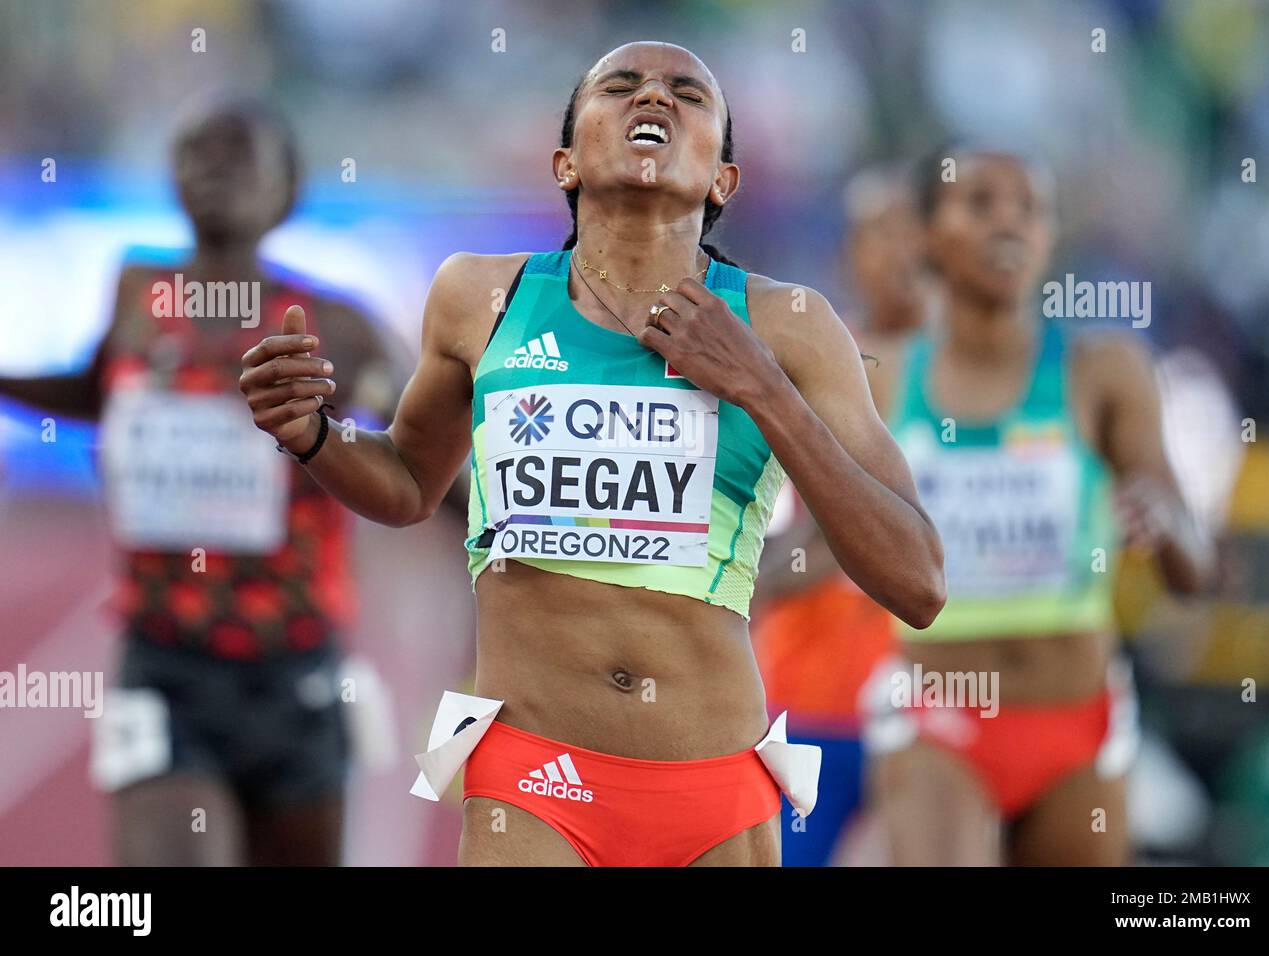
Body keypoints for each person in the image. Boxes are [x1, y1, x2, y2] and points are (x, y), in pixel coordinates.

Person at [239, 42, 945, 867]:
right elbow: (405, 481)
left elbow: (918, 581)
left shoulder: (790, 324)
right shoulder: (479, 298)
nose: (655, 97)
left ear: (724, 178)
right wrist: (319, 437)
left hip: (714, 786)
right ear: (566, 161)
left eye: (688, 93)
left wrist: (764, 390)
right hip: (531, 776)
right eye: (622, 86)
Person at [0, 99, 399, 865]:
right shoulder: (139, 292)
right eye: (193, 149)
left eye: (238, 150)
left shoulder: (338, 327)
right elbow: (93, 392)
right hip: (163, 662)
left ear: (288, 188)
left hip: (298, 670)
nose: (212, 164)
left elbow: (427, 453)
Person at [860, 145, 1214, 865]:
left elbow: (1194, 570)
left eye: (1030, 209)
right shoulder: (883, 376)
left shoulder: (1102, 371)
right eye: (981, 203)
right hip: (940, 716)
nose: (1010, 224)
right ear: (927, 230)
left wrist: (1162, 520)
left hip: (1077, 725)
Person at [752, 169, 929, 866]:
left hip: (938, 700)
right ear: (849, 252)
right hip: (810, 693)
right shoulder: (821, 359)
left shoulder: (989, 377)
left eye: (913, 232)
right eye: (877, 234)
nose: (899, 253)